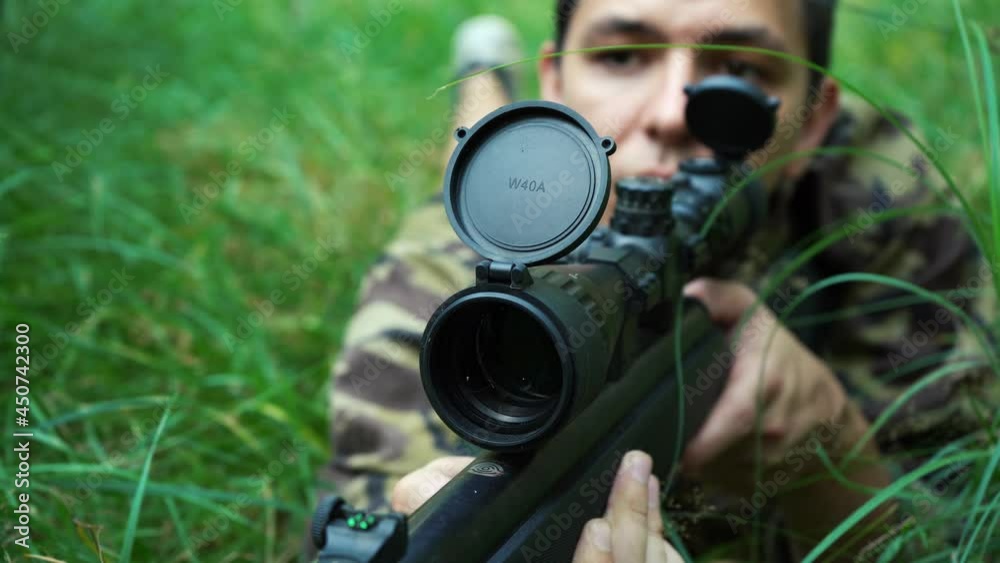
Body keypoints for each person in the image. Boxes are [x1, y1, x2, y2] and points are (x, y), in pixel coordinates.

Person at [322, 1, 996, 560]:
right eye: (621, 56)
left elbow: (963, 521)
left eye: (740, 69)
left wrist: (832, 457)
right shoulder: (457, 286)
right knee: (475, 141)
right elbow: (385, 508)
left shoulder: (885, 202)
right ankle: (483, 72)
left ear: (813, 120)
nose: (673, 113)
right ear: (556, 86)